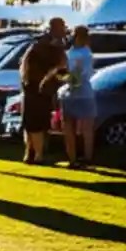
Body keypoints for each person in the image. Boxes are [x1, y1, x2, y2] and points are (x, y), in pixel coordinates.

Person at [19, 18, 69, 164]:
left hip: (30, 87)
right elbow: (60, 69)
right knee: (38, 125)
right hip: (40, 89)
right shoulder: (52, 46)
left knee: (30, 124)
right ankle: (38, 155)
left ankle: (29, 153)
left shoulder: (37, 44)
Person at [61, 26, 97, 167]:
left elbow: (77, 75)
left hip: (77, 93)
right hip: (77, 93)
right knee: (75, 127)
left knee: (79, 127)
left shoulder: (81, 54)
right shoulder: (78, 53)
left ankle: (80, 157)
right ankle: (78, 158)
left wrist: (66, 80)